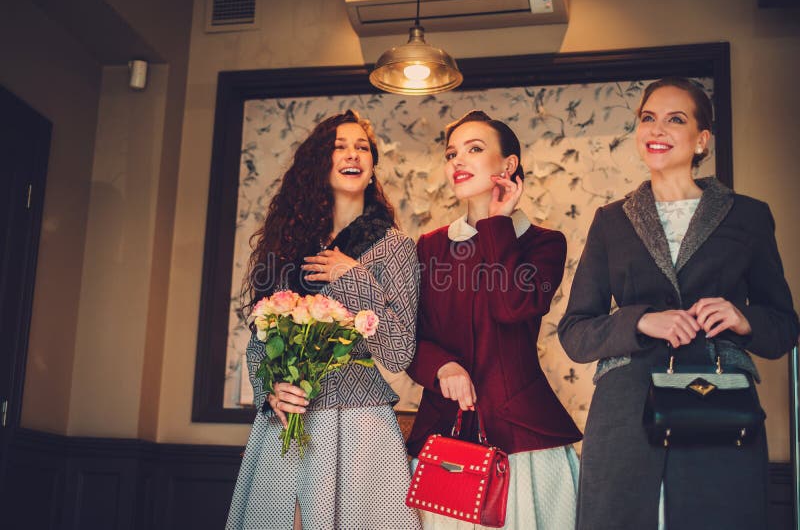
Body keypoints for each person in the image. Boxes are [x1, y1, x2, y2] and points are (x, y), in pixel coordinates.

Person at [558, 77, 800, 529]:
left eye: (675, 119)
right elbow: (575, 332)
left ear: (701, 139)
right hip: (624, 415)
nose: (657, 129)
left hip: (720, 410)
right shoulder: (610, 221)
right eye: (648, 118)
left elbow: (784, 327)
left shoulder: (747, 215)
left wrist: (741, 317)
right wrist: (642, 321)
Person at [225, 110, 421, 530]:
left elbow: (400, 351)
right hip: (288, 419)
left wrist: (351, 276)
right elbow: (260, 340)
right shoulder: (290, 243)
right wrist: (270, 391)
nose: (352, 154)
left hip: (360, 425)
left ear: (372, 169)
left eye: (362, 147)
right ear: (320, 164)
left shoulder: (396, 248)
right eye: (339, 146)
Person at [406, 110, 583, 530]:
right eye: (452, 154)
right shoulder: (429, 247)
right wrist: (441, 366)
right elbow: (406, 338)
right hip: (442, 441)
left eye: (474, 149)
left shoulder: (544, 244)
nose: (458, 161)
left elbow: (512, 307)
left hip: (521, 441)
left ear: (509, 166)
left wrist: (496, 223)